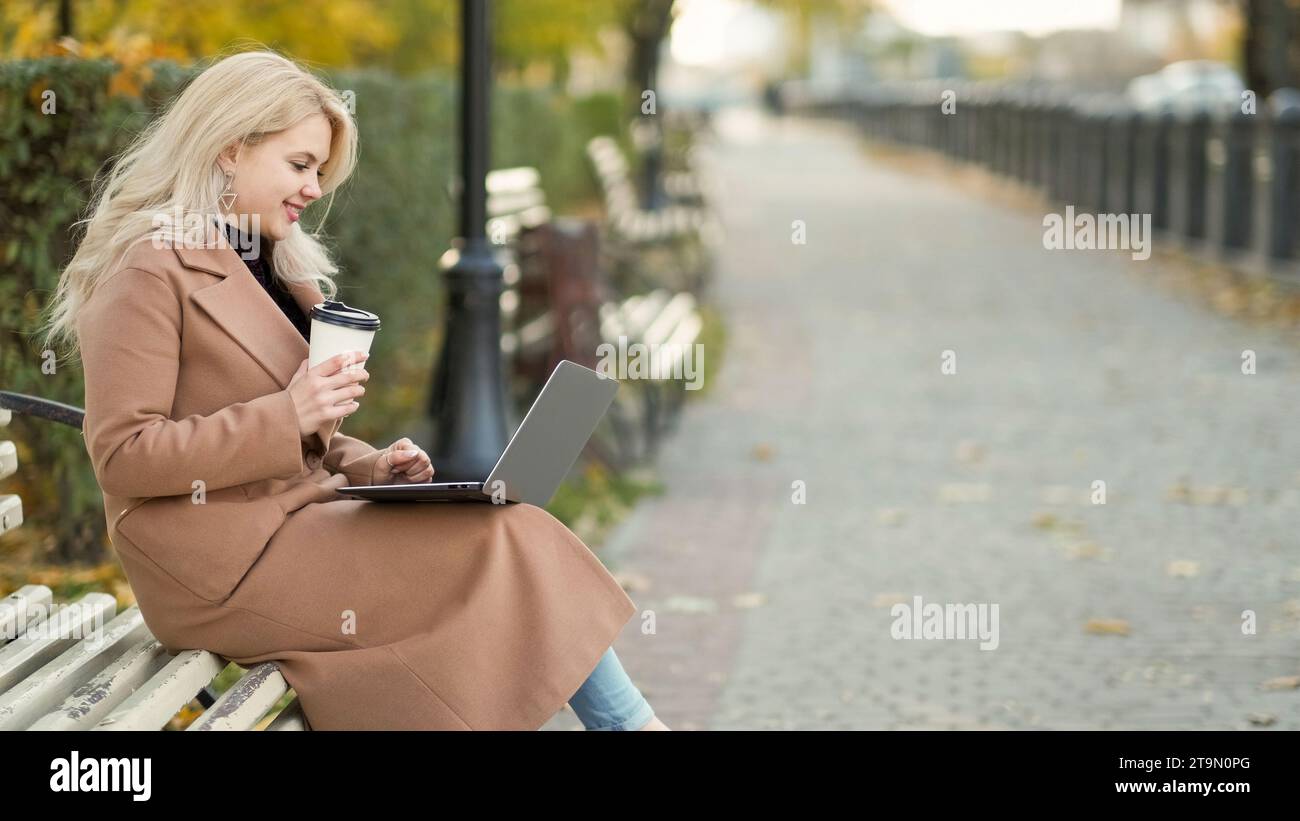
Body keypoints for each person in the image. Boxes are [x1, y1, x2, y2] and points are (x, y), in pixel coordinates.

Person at [36, 48, 668, 731]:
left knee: (505, 530)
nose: (313, 188)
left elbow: (304, 439)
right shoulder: (148, 264)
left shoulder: (276, 262)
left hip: (301, 524)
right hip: (216, 564)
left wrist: (371, 465)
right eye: (300, 164)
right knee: (505, 542)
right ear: (228, 150)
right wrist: (290, 412)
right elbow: (125, 454)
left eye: (320, 171)